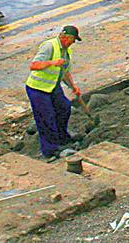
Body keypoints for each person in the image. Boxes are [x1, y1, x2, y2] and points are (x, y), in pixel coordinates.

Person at [24, 25, 82, 160]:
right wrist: (52, 63)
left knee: (64, 108)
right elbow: (34, 65)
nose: (73, 43)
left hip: (53, 87)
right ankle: (50, 150)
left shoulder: (67, 51)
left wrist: (73, 86)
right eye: (73, 40)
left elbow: (65, 72)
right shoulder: (49, 46)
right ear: (65, 37)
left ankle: (61, 137)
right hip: (38, 89)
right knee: (46, 117)